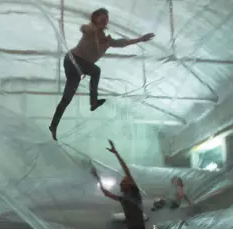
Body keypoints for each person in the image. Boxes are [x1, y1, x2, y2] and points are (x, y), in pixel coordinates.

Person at [49, 8, 155, 140]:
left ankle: (53, 125)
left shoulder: (107, 40)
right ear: (95, 19)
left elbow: (122, 43)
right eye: (102, 19)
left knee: (67, 98)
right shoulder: (91, 30)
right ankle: (93, 101)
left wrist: (140, 39)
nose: (105, 21)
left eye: (106, 19)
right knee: (96, 70)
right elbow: (84, 28)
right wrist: (95, 31)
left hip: (80, 68)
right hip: (73, 60)